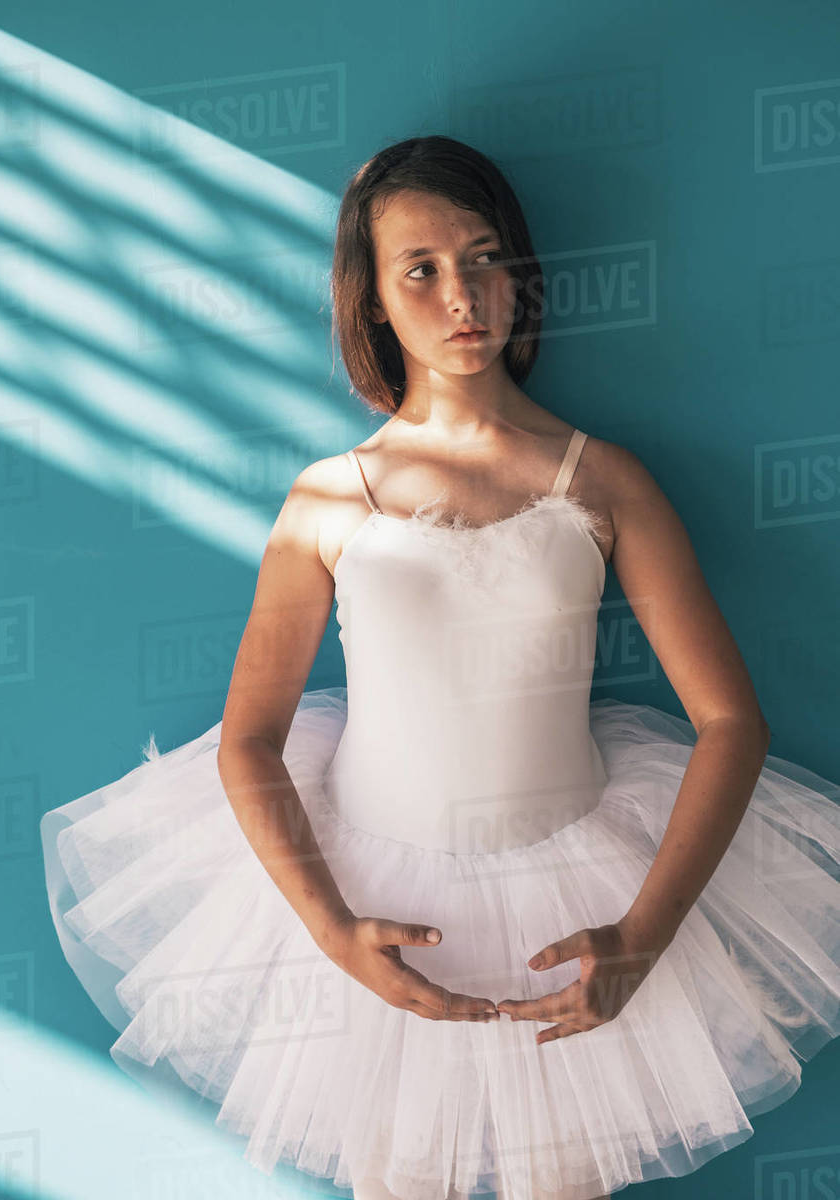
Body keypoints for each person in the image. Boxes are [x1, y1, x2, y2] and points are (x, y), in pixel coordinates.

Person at [41, 136, 840, 1200]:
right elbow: (250, 739)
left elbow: (731, 723)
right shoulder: (329, 497)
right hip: (378, 886)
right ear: (372, 299)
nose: (462, 295)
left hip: (575, 890)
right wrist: (330, 932)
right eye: (420, 269)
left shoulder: (605, 479)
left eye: (484, 259)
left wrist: (643, 936)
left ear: (520, 277)